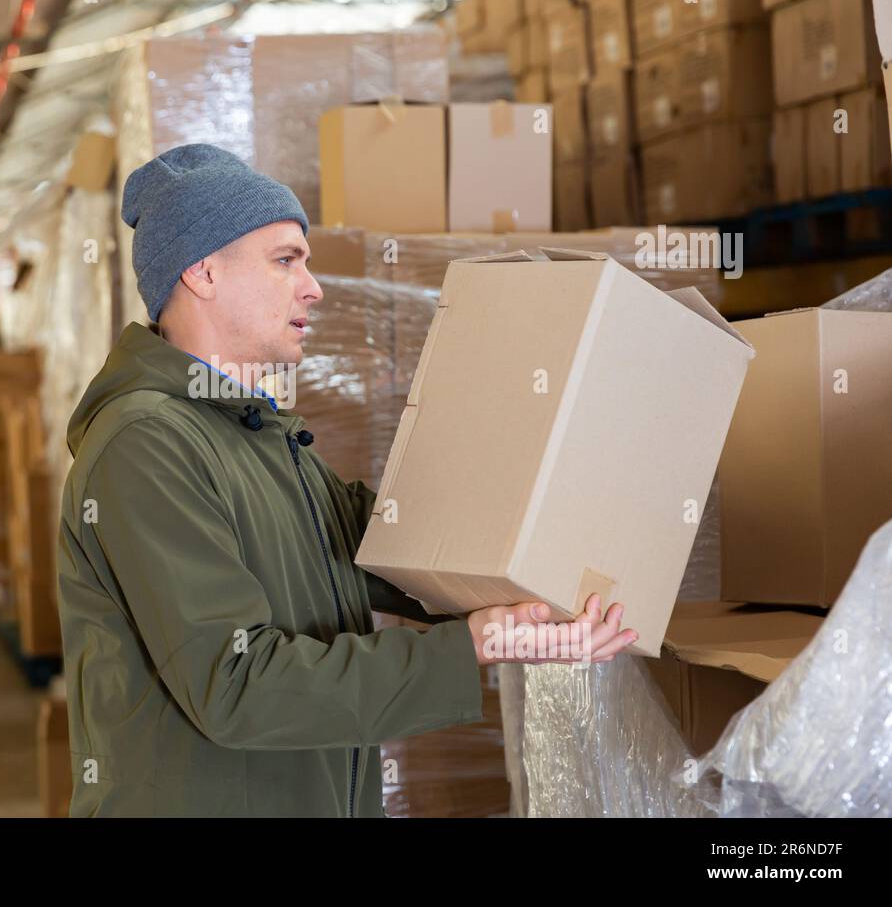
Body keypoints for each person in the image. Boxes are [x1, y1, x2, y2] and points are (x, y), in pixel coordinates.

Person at [56, 144, 637, 817]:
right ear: (202, 271)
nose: (314, 286)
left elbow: (392, 549)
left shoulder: (259, 436)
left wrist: (544, 581)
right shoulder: (146, 445)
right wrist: (473, 645)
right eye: (285, 260)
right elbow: (236, 684)